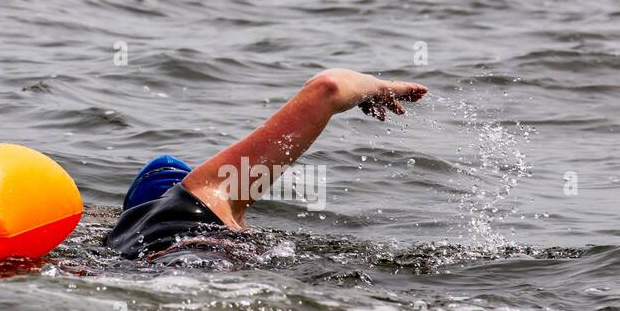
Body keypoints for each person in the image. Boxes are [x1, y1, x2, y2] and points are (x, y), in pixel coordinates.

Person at [105, 69, 429, 259]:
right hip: (208, 268)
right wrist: (379, 86)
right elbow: (327, 88)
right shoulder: (207, 193)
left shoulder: (117, 244)